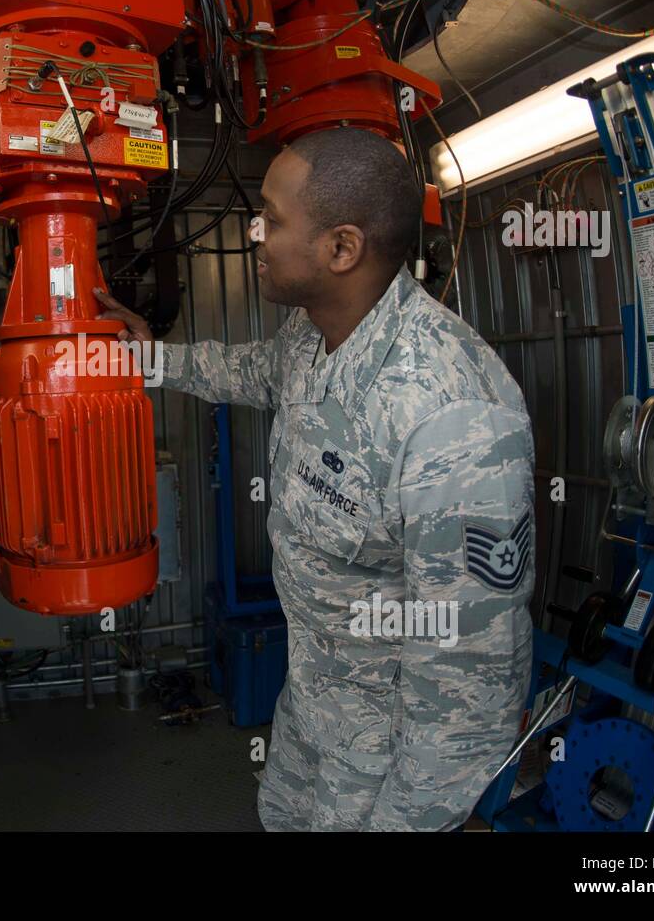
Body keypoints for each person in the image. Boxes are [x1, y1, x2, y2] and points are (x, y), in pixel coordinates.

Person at [94, 126, 535, 832]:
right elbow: (254, 372)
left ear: (341, 248)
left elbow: (471, 678)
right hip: (312, 708)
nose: (253, 235)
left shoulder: (453, 413)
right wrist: (154, 360)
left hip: (392, 760)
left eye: (271, 218)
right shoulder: (314, 333)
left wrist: (406, 821)